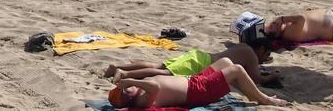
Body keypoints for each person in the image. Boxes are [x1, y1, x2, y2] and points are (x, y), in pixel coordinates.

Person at [107, 57, 288, 109]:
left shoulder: (137, 91)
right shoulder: (141, 101)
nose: (126, 89)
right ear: (127, 102)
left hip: (195, 81)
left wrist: (131, 83)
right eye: (124, 93)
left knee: (225, 62)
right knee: (237, 69)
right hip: (198, 91)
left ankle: (250, 91)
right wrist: (131, 80)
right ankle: (264, 99)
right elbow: (156, 87)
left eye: (122, 89)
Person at [105, 40, 277, 86]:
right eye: (266, 54)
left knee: (159, 66)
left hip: (199, 55)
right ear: (261, 49)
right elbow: (256, 79)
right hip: (203, 63)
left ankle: (117, 67)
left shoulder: (242, 46)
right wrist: (273, 76)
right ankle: (125, 74)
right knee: (166, 74)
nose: (265, 58)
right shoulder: (251, 55)